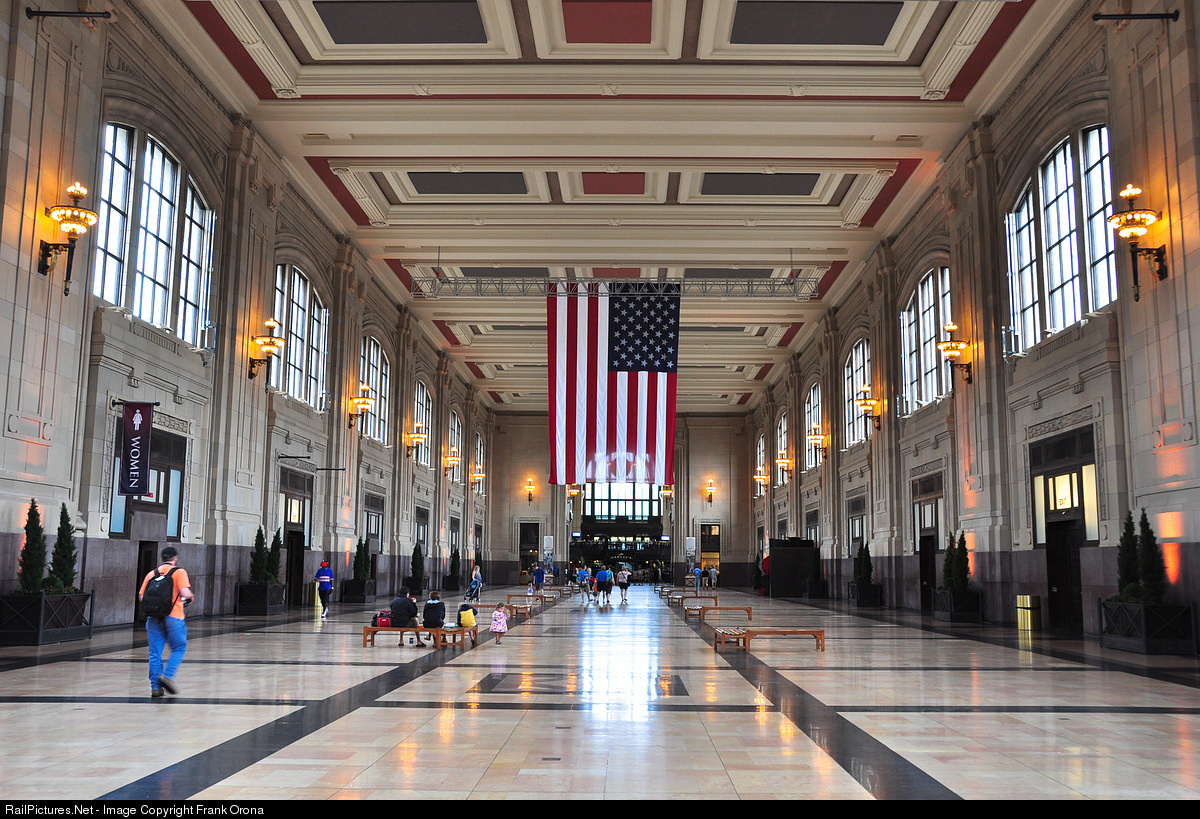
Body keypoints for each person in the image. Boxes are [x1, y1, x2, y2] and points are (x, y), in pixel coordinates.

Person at [138, 546, 193, 699]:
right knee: (179, 648)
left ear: (162, 558)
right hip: (173, 616)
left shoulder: (152, 574)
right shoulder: (179, 572)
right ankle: (167, 677)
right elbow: (185, 593)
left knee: (154, 653)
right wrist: (191, 596)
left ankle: (155, 688)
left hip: (153, 618)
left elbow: (142, 597)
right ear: (174, 558)